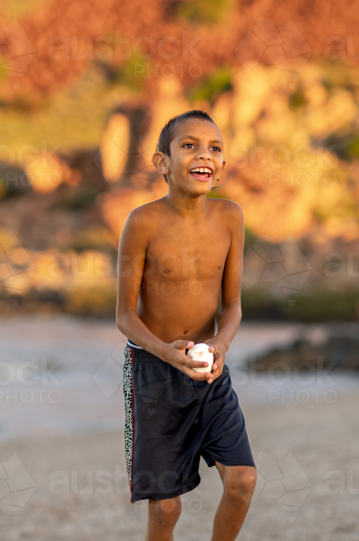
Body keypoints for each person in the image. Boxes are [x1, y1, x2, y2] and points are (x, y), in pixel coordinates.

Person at [115, 110, 256, 541]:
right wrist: (165, 351)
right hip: (154, 372)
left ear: (222, 168)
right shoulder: (142, 223)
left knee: (243, 482)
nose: (204, 155)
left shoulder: (230, 217)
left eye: (215, 148)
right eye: (189, 145)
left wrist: (221, 345)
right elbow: (124, 315)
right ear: (162, 163)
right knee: (166, 509)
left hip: (209, 368)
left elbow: (232, 306)